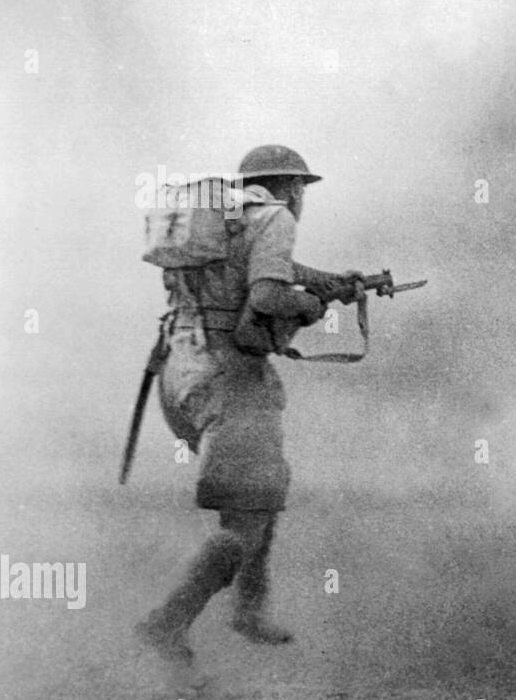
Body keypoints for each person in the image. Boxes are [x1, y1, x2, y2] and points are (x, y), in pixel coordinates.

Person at [136, 145, 360, 666]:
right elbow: (266, 299)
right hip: (229, 376)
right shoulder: (275, 218)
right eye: (302, 189)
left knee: (260, 491)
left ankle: (249, 607)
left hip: (180, 373)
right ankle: (168, 621)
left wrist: (330, 281)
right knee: (244, 522)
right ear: (291, 187)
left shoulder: (223, 220)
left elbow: (255, 274)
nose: (302, 199)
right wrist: (311, 305)